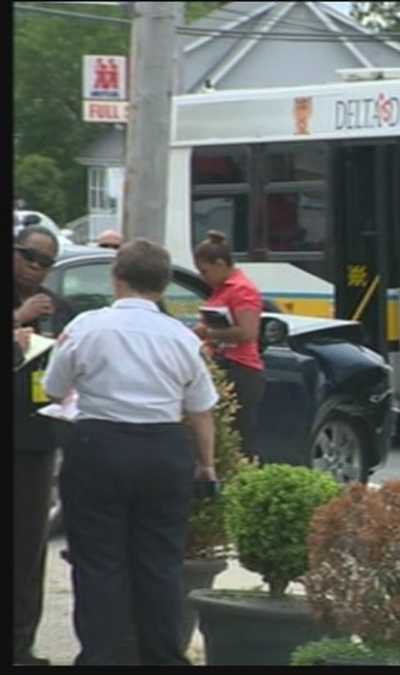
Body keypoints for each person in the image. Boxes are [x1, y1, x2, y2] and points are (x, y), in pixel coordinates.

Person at [42, 239, 219, 665]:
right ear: (163, 285)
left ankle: (103, 657)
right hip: (163, 449)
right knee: (160, 562)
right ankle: (161, 656)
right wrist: (207, 467)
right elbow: (201, 411)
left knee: (98, 560)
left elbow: (53, 387)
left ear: (116, 279)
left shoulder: (86, 327)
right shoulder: (181, 337)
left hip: (98, 445)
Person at [13, 225, 75, 667]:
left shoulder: (57, 308)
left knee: (28, 548)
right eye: (29, 257)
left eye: (46, 263)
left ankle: (20, 645)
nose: (36, 268)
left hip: (34, 441)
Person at [192, 230, 265, 459]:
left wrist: (210, 333)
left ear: (221, 263)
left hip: (241, 369)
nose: (204, 277)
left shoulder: (242, 289)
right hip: (223, 364)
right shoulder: (221, 289)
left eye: (205, 271)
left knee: (238, 437)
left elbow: (248, 332)